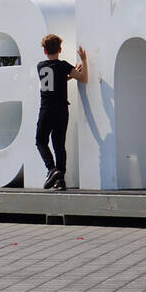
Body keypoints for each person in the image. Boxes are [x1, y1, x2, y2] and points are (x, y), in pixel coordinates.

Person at [35, 34, 87, 190]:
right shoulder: (64, 66)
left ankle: (52, 170)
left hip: (46, 109)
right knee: (59, 144)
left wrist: (69, 75)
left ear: (44, 51)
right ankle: (60, 180)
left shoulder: (41, 66)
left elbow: (52, 82)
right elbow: (83, 78)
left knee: (40, 140)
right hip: (62, 110)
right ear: (60, 49)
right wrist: (82, 62)